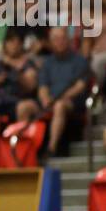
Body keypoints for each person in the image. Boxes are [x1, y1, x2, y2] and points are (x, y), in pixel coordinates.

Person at [38, 26, 91, 156]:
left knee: (60, 105)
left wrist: (58, 98)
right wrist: (45, 100)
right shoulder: (47, 63)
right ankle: (29, 151)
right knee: (25, 107)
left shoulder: (80, 60)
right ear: (50, 42)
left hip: (72, 102)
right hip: (50, 101)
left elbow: (80, 86)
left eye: (62, 38)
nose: (59, 41)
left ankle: (51, 148)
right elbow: (42, 86)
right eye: (56, 39)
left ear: (68, 40)